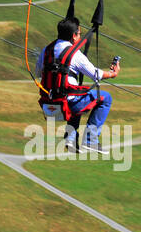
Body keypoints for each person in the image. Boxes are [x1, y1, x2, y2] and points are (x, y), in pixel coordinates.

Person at [39, 16, 119, 153]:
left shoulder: (46, 51)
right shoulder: (75, 54)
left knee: (78, 94)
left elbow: (39, 72)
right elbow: (96, 75)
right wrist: (113, 73)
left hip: (49, 103)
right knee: (106, 98)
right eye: (79, 33)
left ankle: (70, 138)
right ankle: (91, 140)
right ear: (74, 36)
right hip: (68, 104)